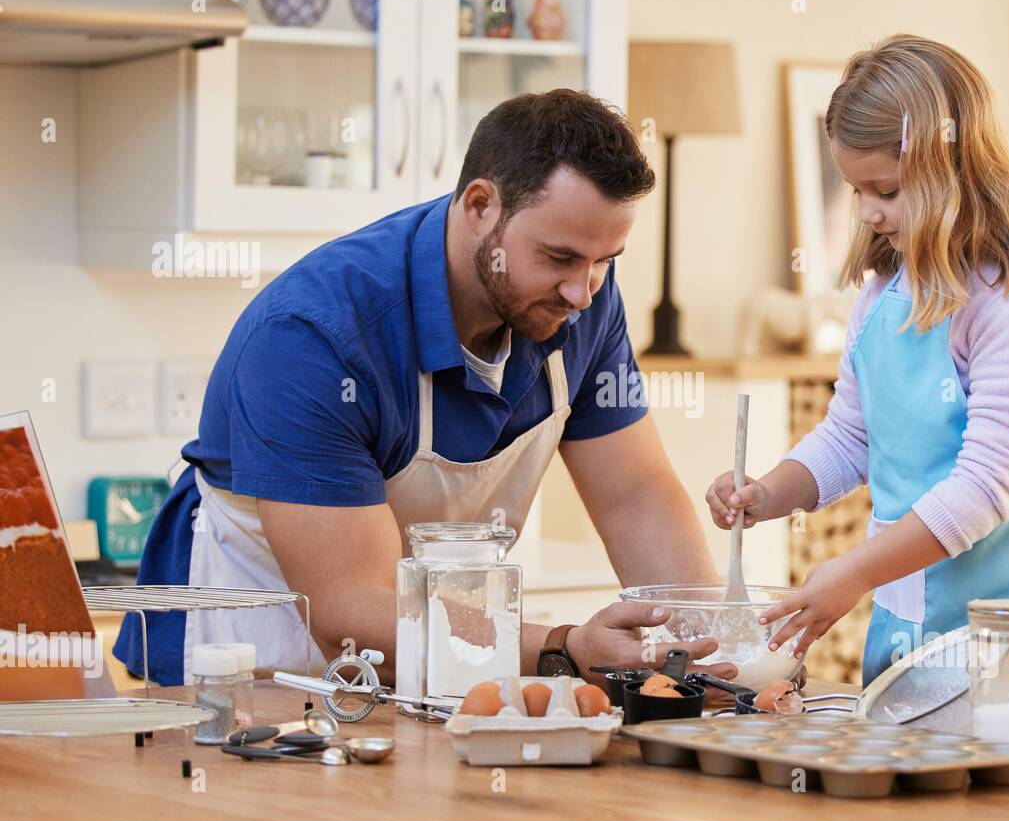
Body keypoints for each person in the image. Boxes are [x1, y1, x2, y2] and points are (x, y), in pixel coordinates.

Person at [115, 89, 735, 687]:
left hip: (444, 652)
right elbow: (353, 611)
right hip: (256, 673)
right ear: (479, 206)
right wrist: (563, 648)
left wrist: (714, 648)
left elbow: (636, 495)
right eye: (560, 257)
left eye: (607, 259)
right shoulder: (312, 337)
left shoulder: (583, 300)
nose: (584, 290)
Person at [706, 35, 1009, 685]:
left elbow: (985, 489)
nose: (867, 212)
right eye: (855, 190)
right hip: (905, 605)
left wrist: (854, 571)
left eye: (884, 189)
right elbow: (852, 436)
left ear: (955, 169)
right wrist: (769, 491)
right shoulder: (884, 294)